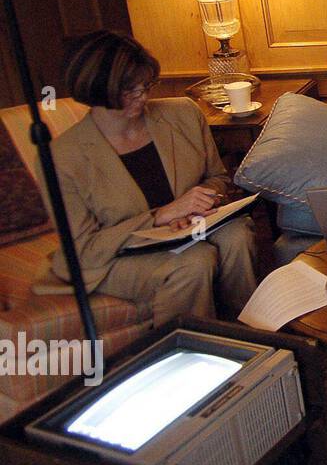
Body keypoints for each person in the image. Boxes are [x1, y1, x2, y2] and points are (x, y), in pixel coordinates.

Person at [50, 30, 257, 323]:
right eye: (129, 90)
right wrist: (162, 215)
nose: (143, 96)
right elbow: (84, 249)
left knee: (237, 235)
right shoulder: (63, 157)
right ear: (96, 89)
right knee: (195, 262)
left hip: (194, 228)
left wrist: (200, 202)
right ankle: (193, 350)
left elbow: (217, 177)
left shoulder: (183, 114)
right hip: (116, 256)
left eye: (147, 85)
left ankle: (252, 335)